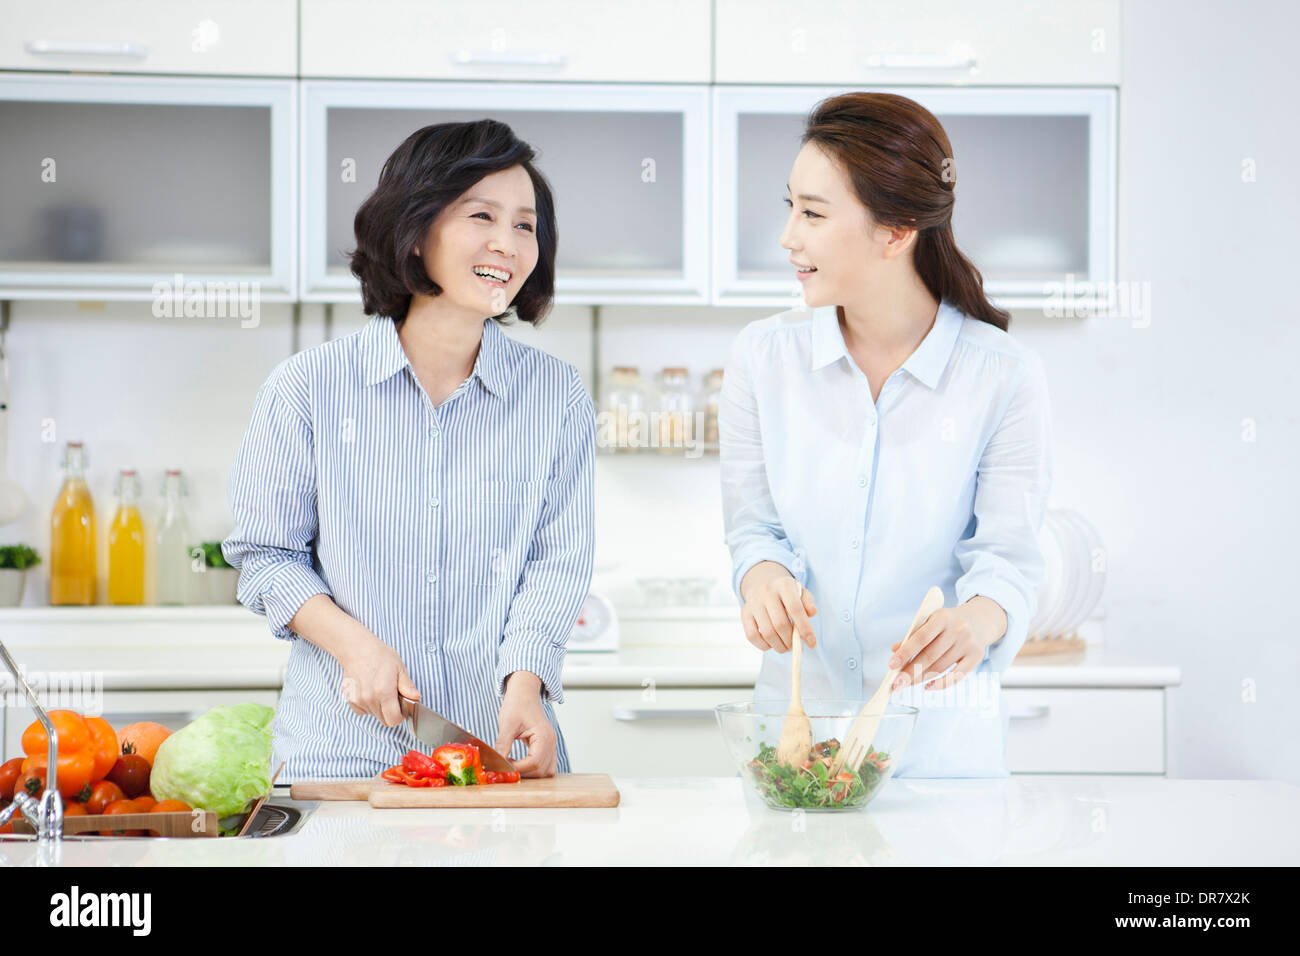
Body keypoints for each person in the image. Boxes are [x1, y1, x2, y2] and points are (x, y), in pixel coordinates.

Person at [222, 120, 594, 780]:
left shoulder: (556, 396)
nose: (506, 244)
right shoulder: (308, 388)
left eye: (525, 226)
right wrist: (354, 646)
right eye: (482, 215)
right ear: (417, 230)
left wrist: (528, 683)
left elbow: (555, 561)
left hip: (497, 750)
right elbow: (266, 555)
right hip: (340, 753)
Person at [719, 92, 1053, 777]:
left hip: (939, 749)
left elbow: (1009, 561)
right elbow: (753, 531)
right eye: (791, 206)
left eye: (812, 213)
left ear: (895, 230)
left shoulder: (1002, 374)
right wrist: (763, 578)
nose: (789, 236)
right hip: (796, 739)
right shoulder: (763, 358)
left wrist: (976, 622)